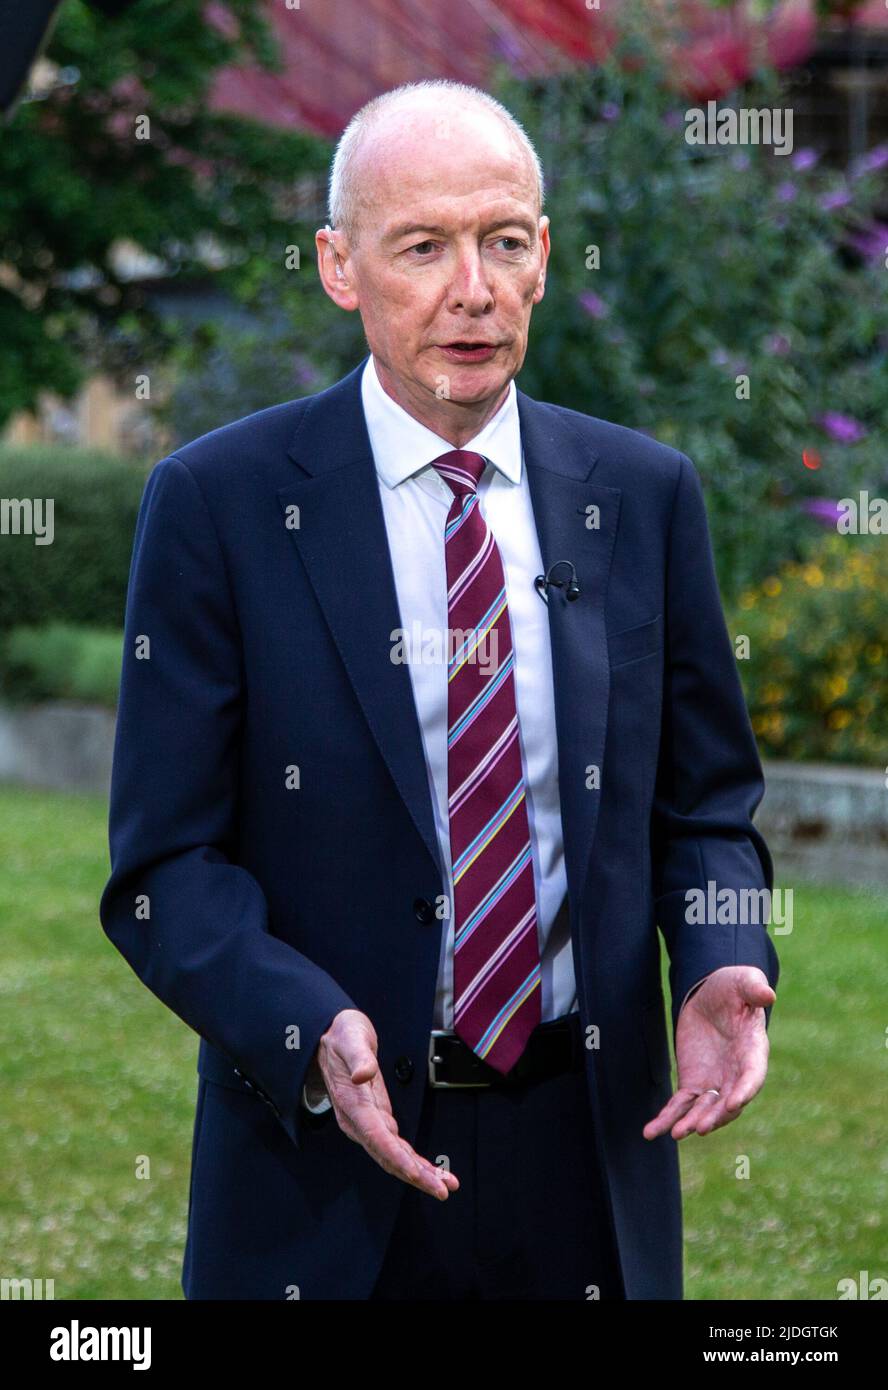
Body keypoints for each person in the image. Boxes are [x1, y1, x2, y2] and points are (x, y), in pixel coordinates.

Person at [99, 78, 779, 1301]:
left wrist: (724, 952)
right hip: (322, 1160)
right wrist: (311, 1030)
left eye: (503, 242)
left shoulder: (644, 494)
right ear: (338, 266)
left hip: (591, 1156)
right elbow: (164, 870)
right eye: (422, 246)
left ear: (543, 258)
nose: (472, 287)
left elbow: (708, 805)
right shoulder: (220, 505)